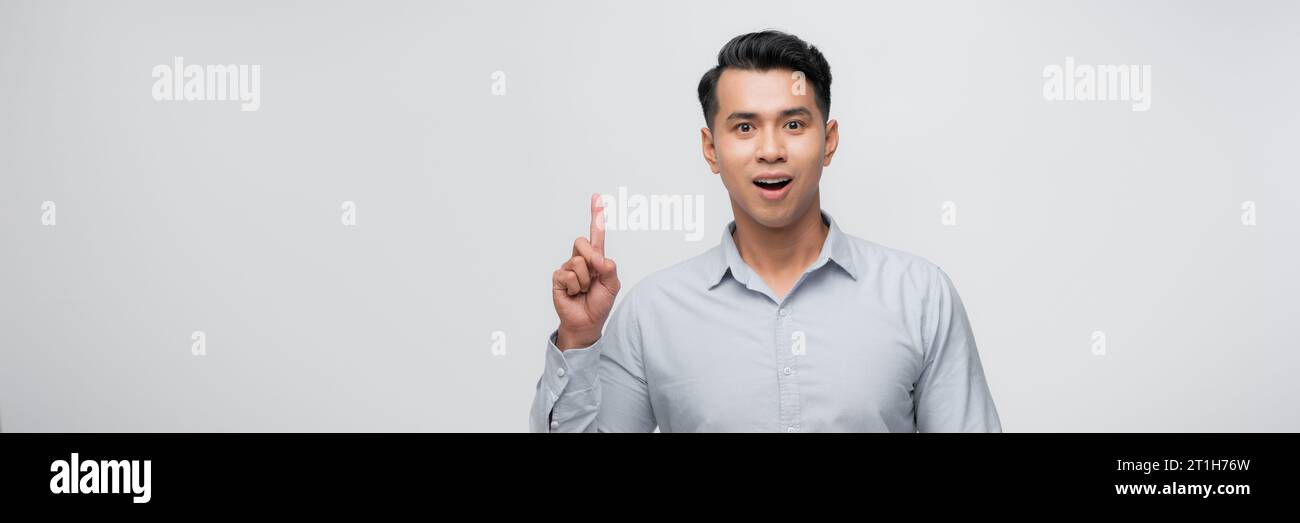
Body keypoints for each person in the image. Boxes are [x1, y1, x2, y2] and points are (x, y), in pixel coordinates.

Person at [531, 30, 1001, 433]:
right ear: (710, 149)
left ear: (829, 140)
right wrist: (579, 339)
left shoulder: (919, 296)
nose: (771, 149)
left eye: (794, 123)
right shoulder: (651, 314)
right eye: (745, 127)